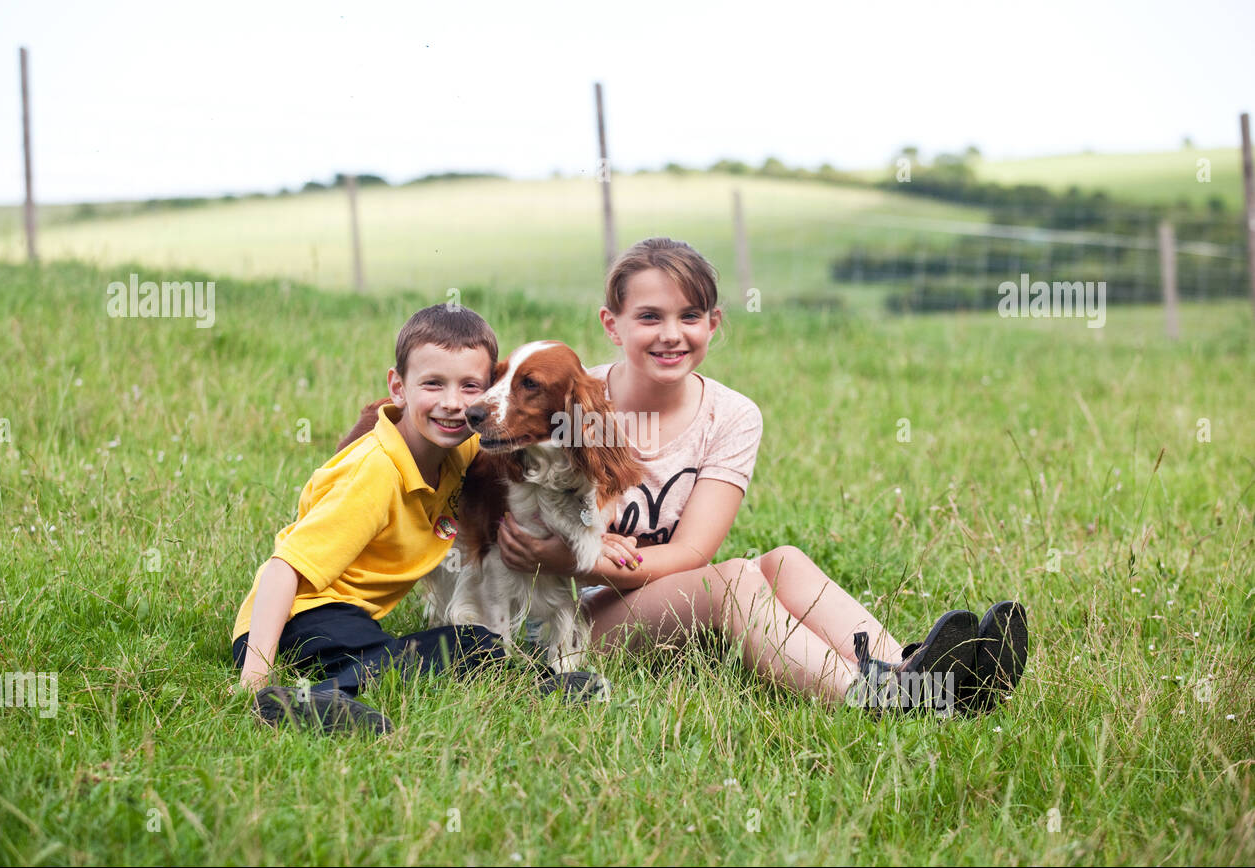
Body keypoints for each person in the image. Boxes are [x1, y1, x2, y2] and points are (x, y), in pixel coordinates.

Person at [496, 238, 1027, 714]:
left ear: (714, 323)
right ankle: (873, 696)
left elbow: (690, 553)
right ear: (613, 324)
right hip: (569, 619)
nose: (671, 335)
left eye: (690, 316)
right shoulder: (565, 396)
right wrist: (569, 557)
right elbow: (525, 520)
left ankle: (919, 672)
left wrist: (587, 552)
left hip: (657, 595)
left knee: (783, 563)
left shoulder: (731, 415)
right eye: (650, 317)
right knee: (731, 582)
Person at [230, 304, 593, 735]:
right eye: (434, 384)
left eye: (471, 386)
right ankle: (300, 700)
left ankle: (541, 686)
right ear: (398, 388)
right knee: (387, 657)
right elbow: (283, 568)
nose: (453, 404)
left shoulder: (457, 452)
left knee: (473, 644)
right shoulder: (375, 471)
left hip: (356, 620)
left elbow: (544, 468)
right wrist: (255, 673)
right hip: (301, 617)